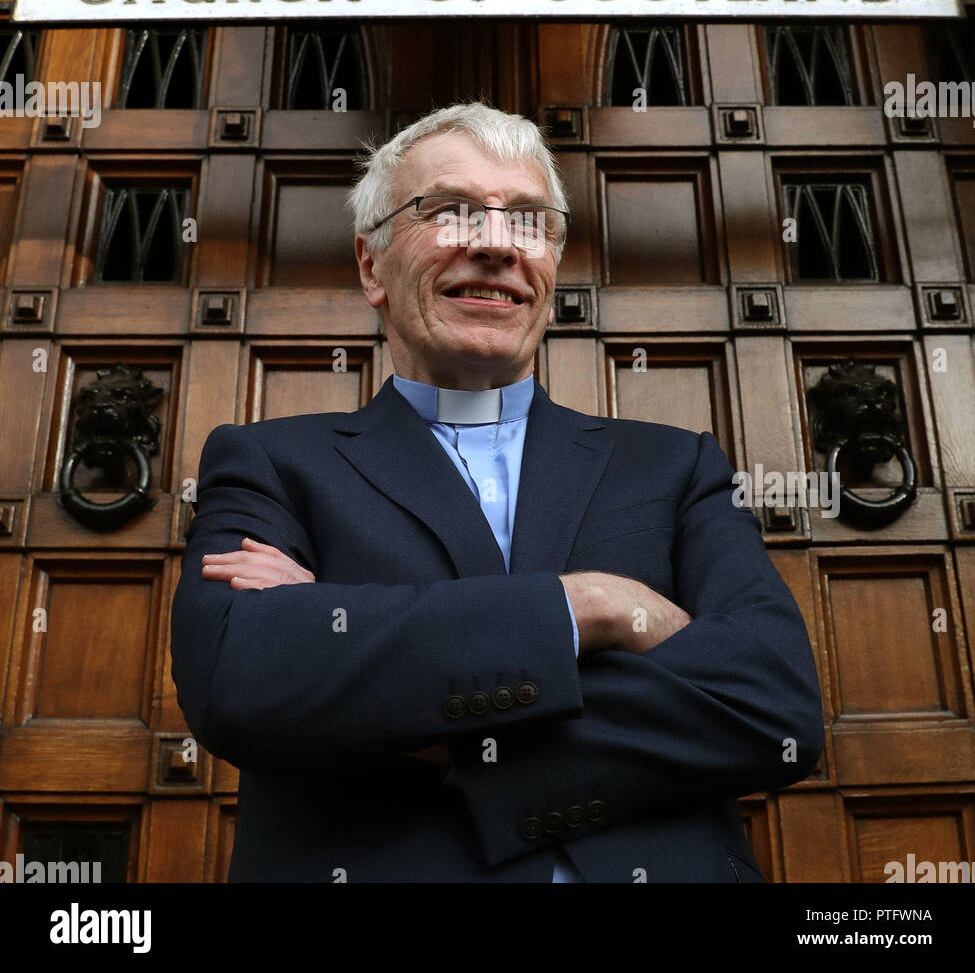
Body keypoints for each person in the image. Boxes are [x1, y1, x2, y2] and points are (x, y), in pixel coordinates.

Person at [170, 100, 824, 882]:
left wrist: (423, 723)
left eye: (528, 219)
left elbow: (774, 706)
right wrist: (594, 609)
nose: (493, 244)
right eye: (449, 211)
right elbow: (244, 680)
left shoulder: (675, 467)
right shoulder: (270, 461)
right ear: (372, 266)